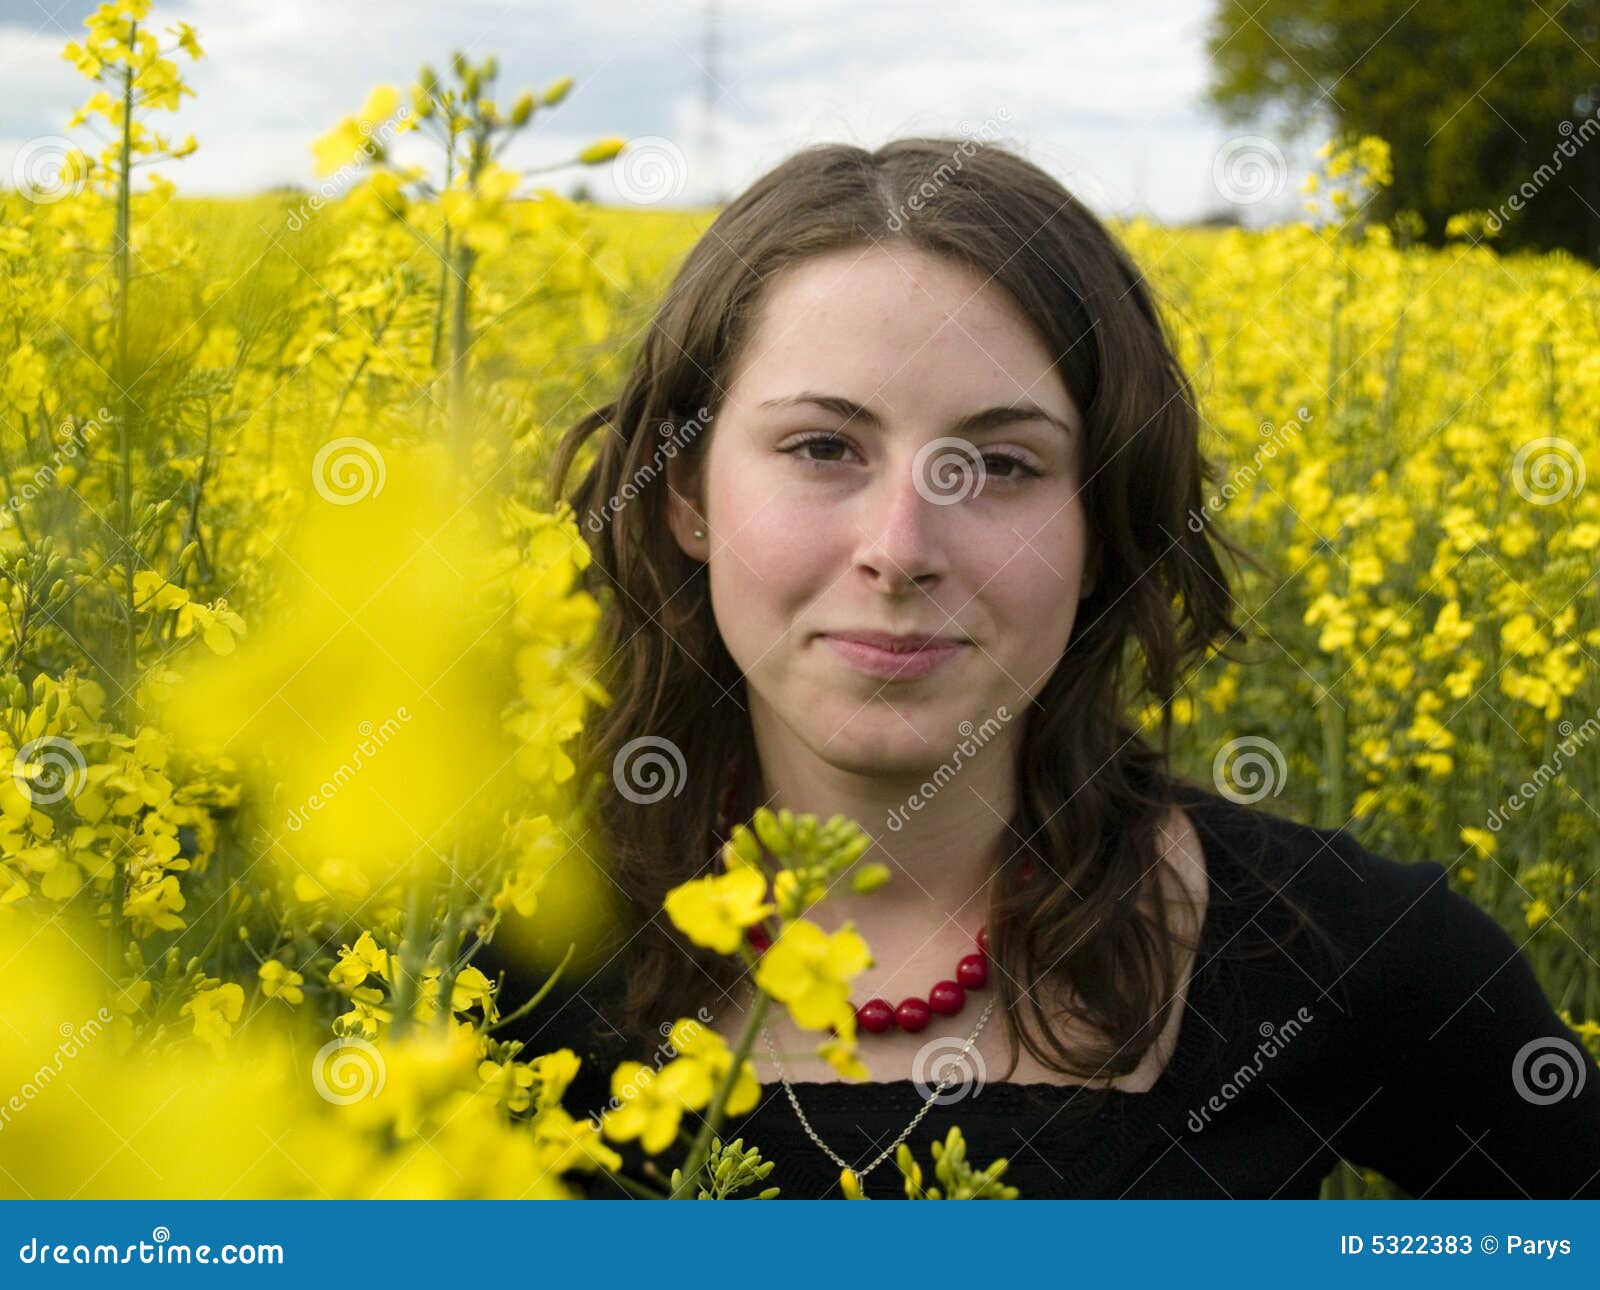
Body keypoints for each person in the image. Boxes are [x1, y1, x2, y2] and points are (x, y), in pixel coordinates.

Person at [493, 136, 1600, 1199]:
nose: (900, 548)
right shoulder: (480, 953)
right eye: (822, 447)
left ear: (1101, 529)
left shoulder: (1341, 951)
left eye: (999, 464)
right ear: (684, 496)